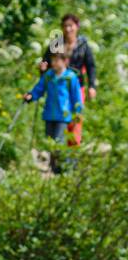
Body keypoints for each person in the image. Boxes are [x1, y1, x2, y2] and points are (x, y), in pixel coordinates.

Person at [25, 47, 84, 175]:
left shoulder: (70, 77)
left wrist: (78, 112)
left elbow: (77, 97)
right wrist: (31, 96)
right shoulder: (48, 76)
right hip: (49, 114)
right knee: (50, 143)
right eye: (53, 60)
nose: (54, 63)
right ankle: (53, 169)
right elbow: (39, 89)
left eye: (57, 60)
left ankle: (63, 168)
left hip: (63, 116)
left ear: (65, 61)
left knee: (58, 143)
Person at [38, 12, 97, 103]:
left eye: (70, 25)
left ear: (77, 26)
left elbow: (90, 66)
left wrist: (92, 86)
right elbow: (46, 62)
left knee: (76, 114)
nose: (67, 29)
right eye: (65, 26)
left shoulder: (83, 45)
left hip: (77, 85)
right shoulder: (56, 43)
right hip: (57, 85)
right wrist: (43, 69)